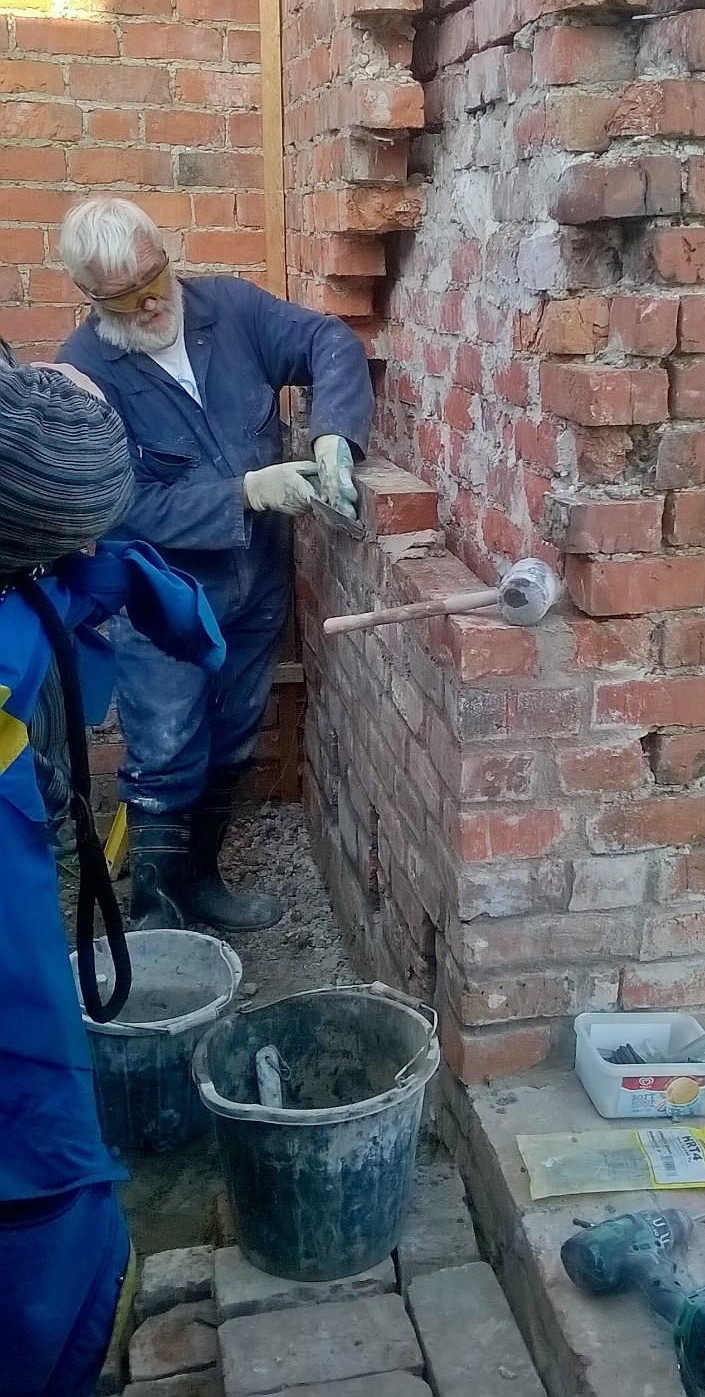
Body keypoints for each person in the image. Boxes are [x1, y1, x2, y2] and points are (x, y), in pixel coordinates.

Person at [0, 353, 226, 1396]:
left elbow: (112, 578)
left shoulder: (31, 563)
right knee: (34, 1123)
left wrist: (150, 589)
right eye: (75, 540)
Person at [58, 195, 374, 933]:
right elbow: (118, 507)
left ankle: (201, 882)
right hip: (163, 600)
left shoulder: (229, 310)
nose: (149, 304)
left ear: (166, 258)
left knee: (233, 731)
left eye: (154, 279)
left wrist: (335, 436)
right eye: (124, 297)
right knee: (166, 747)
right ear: (91, 298)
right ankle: (157, 914)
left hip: (254, 583)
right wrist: (244, 492)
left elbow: (330, 342)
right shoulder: (87, 372)